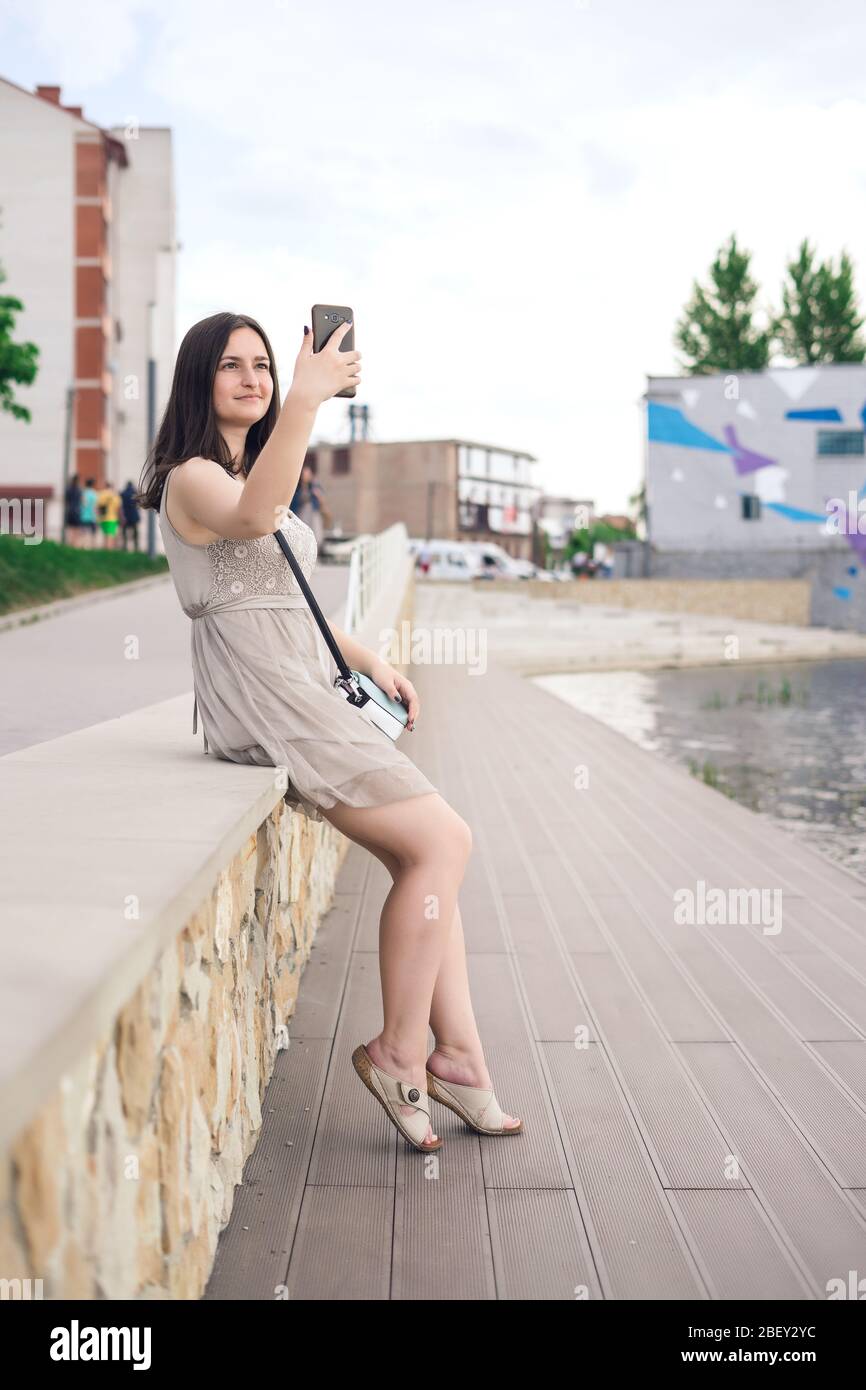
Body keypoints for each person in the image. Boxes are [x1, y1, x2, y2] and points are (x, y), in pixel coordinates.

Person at [136, 311, 521, 1150]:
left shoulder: (253, 465)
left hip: (304, 678)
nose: (254, 378)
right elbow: (249, 519)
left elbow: (285, 592)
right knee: (443, 840)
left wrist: (368, 656)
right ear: (199, 380)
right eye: (231, 366)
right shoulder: (192, 476)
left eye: (266, 366)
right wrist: (308, 403)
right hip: (262, 692)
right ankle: (400, 1051)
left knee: (428, 861)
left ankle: (457, 1057)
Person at [290, 460, 326, 547]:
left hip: (313, 513)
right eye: (304, 474)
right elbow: (294, 503)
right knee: (301, 535)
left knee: (315, 534)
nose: (306, 476)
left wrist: (318, 495)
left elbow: (322, 501)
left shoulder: (315, 486)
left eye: (308, 474)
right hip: (300, 514)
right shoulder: (297, 488)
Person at [96, 480, 122, 549]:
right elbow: (118, 507)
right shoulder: (114, 495)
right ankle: (109, 549)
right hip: (112, 518)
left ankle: (105, 549)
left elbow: (97, 506)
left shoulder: (101, 494)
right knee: (110, 535)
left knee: (105, 535)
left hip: (103, 517)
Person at [120, 480, 141, 550]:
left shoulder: (123, 493)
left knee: (124, 531)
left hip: (126, 515)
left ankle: (124, 546)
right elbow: (139, 502)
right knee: (135, 531)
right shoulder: (135, 493)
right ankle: (136, 546)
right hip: (134, 515)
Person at [79, 477, 98, 548]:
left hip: (83, 516)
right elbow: (95, 507)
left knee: (83, 533)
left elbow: (82, 504)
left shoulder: (83, 493)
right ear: (92, 485)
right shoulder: (94, 494)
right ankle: (92, 546)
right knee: (93, 534)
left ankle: (84, 546)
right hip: (92, 517)